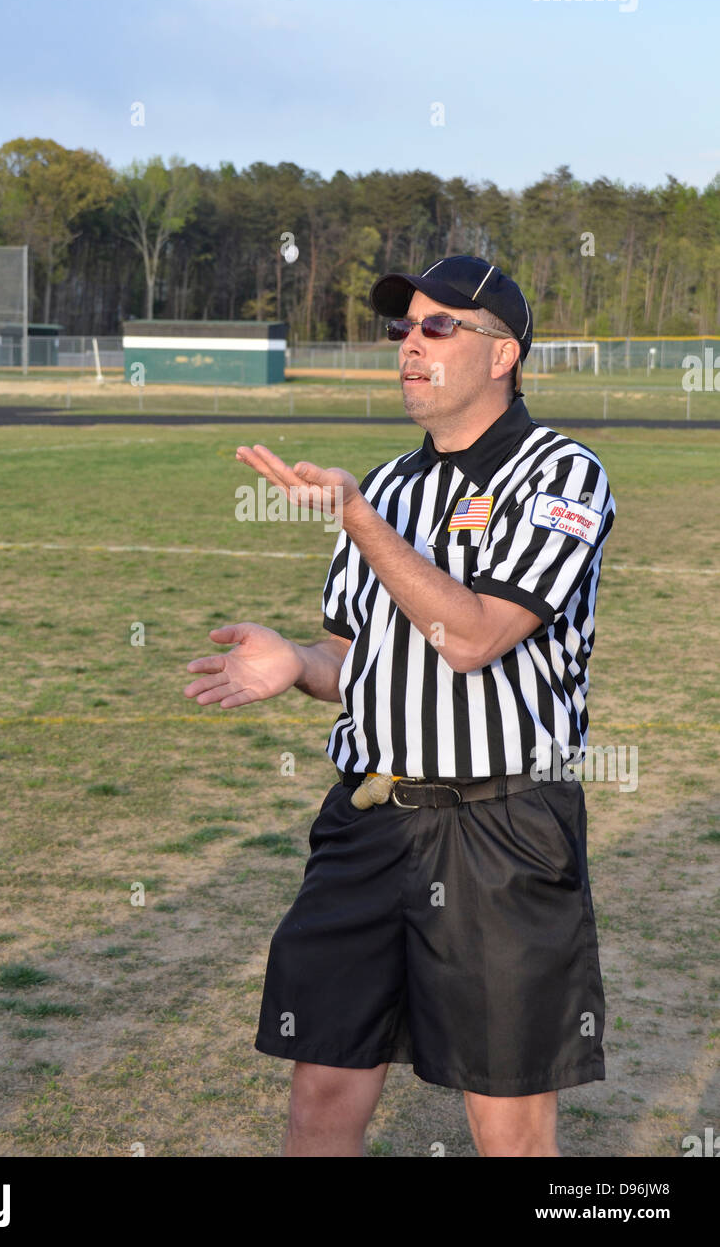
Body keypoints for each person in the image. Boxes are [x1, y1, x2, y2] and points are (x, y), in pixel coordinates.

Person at [184, 255, 615, 1157]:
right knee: (323, 1085)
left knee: (507, 1120)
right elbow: (357, 656)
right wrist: (295, 661)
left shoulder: (561, 476)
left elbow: (472, 638)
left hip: (499, 828)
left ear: (502, 355)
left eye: (436, 328)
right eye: (402, 329)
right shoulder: (389, 485)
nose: (408, 347)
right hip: (369, 819)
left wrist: (358, 521)